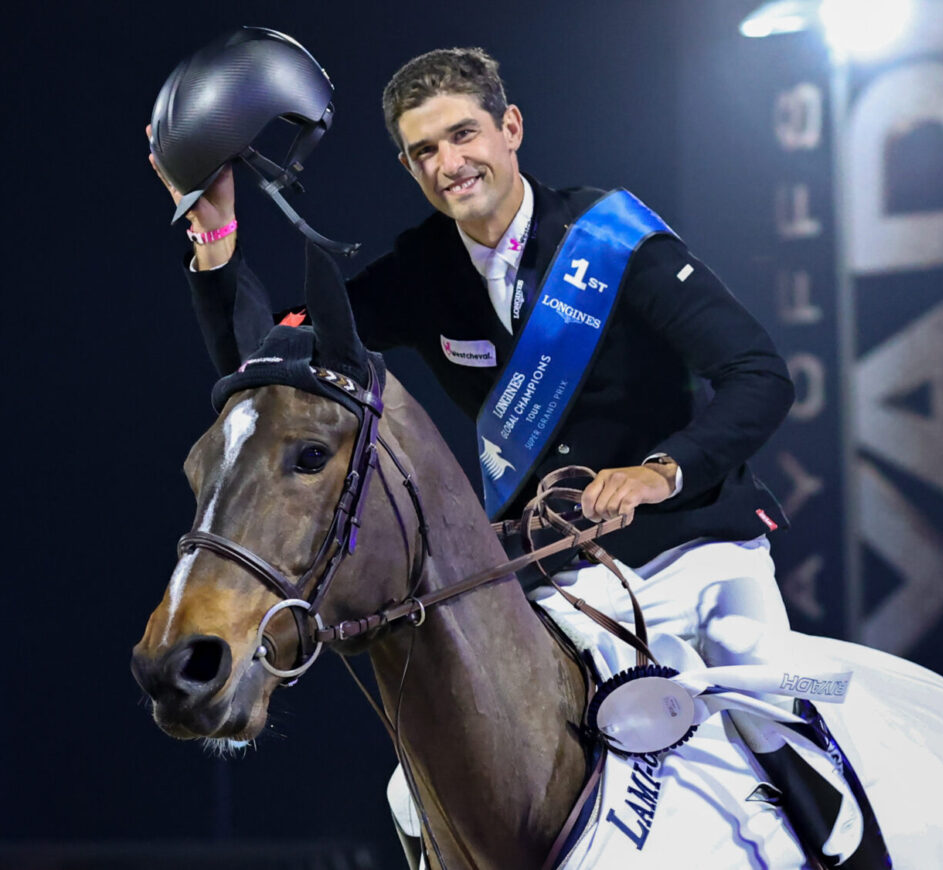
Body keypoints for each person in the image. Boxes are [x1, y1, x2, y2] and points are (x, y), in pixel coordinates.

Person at [150, 45, 889, 868]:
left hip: (694, 553)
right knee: (411, 789)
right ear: (406, 163)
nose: (449, 164)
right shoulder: (422, 271)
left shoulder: (612, 239)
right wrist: (215, 238)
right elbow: (279, 371)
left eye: (464, 136)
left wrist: (660, 471)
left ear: (510, 129)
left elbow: (759, 376)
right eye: (424, 150)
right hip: (555, 580)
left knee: (769, 697)